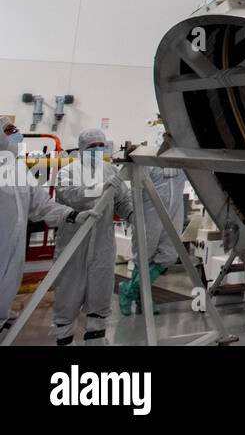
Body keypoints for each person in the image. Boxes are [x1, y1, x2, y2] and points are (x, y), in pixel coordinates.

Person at [1, 119, 98, 340]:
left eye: (16, 131)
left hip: (12, 253)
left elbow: (41, 205)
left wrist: (71, 215)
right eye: (9, 132)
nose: (17, 136)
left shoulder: (18, 169)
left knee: (4, 299)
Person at [52, 128, 134, 345]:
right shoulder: (68, 172)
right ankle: (64, 339)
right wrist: (99, 188)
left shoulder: (111, 172)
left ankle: (95, 339)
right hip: (73, 244)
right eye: (92, 146)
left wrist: (132, 214)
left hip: (102, 244)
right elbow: (71, 194)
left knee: (100, 292)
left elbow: (122, 200)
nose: (98, 149)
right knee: (68, 294)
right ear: (81, 149)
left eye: (101, 145)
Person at [118, 131, 187, 316]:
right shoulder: (150, 159)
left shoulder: (183, 159)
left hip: (174, 212)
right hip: (149, 212)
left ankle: (129, 290)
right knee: (144, 256)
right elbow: (134, 187)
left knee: (170, 254)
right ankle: (142, 297)